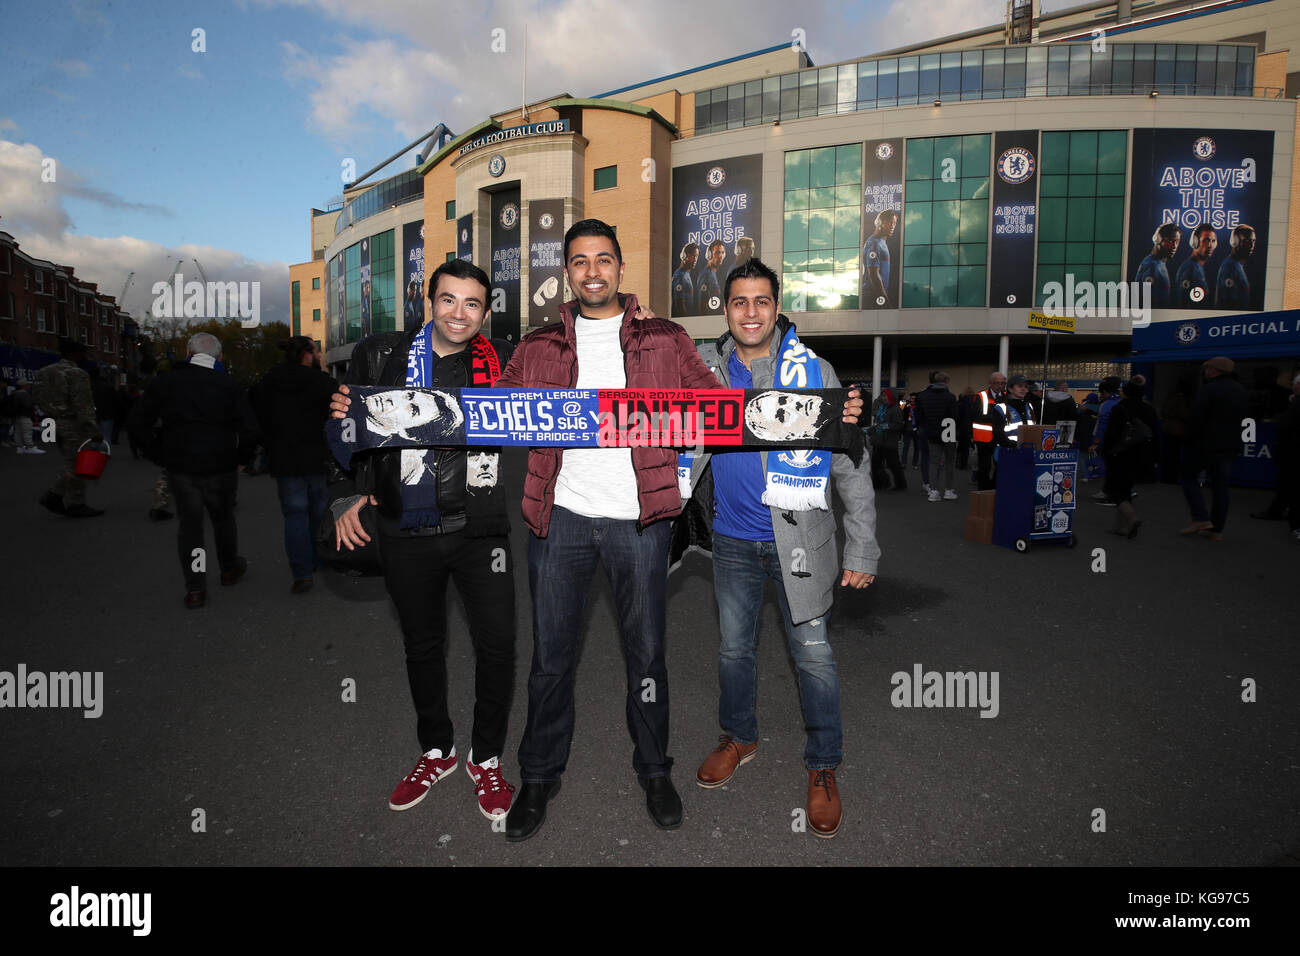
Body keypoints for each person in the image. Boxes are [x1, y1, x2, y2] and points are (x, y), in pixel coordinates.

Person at [493, 219, 724, 840]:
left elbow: (719, 407)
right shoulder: (539, 345)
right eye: (578, 261)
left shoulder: (667, 338)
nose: (591, 271)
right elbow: (487, 413)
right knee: (550, 659)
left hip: (639, 522)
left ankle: (654, 770)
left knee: (647, 656)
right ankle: (538, 776)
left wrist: (827, 412)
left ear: (621, 268)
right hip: (560, 517)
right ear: (565, 273)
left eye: (603, 259)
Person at [689, 258, 879, 838]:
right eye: (739, 302)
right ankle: (739, 737)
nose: (750, 312)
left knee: (814, 657)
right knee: (732, 651)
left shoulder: (813, 370)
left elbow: (851, 462)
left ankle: (823, 767)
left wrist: (862, 548)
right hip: (731, 540)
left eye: (761, 301)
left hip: (800, 541)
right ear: (726, 309)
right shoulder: (705, 370)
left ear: (777, 307)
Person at [329, 259, 519, 822]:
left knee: (499, 648)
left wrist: (634, 316)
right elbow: (343, 428)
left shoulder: (505, 361)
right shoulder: (381, 356)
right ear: (427, 301)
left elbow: (574, 371)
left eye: (472, 304)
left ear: (486, 311)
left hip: (481, 529)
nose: (459, 314)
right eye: (448, 300)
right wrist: (344, 493)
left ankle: (485, 757)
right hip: (404, 528)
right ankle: (436, 750)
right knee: (422, 646)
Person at [127, 332, 260, 608]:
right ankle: (228, 568)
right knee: (223, 520)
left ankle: (196, 586)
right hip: (220, 465)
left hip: (181, 465)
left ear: (188, 353)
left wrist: (157, 453)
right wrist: (242, 457)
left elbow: (138, 422)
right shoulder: (228, 385)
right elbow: (250, 429)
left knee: (191, 526)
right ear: (219, 357)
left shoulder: (165, 382)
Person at [250, 336, 338, 594]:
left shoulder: (269, 382)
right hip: (318, 458)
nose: (320, 356)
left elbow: (257, 417)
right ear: (307, 354)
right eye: (317, 351)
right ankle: (320, 557)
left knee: (294, 515)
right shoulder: (322, 382)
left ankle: (301, 572)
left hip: (285, 459)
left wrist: (267, 447)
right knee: (320, 513)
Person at [1179, 356, 1249, 541]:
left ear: (1215, 371)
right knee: (1221, 487)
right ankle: (1216, 529)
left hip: (1204, 444)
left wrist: (1187, 438)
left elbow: (1196, 418)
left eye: (1208, 369)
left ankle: (1200, 517)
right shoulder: (1241, 390)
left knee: (1187, 477)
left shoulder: (1209, 390)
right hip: (1229, 446)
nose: (1206, 372)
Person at [34, 338, 102, 518]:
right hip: (72, 423)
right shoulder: (77, 374)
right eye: (84, 353)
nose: (85, 356)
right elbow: (83, 406)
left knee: (70, 462)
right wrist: (93, 430)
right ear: (75, 354)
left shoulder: (44, 372)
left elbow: (38, 398)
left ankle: (63, 499)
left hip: (51, 422)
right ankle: (66, 499)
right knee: (78, 464)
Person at [1101, 378, 1158, 538]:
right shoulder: (1150, 409)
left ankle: (1132, 517)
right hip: (1142, 455)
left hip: (1121, 454)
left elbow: (1111, 434)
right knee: (1125, 489)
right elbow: (1154, 435)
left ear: (1125, 393)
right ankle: (1119, 526)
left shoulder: (1121, 408)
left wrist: (1106, 452)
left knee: (1113, 490)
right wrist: (1155, 457)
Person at [915, 370, 958, 501]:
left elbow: (919, 416)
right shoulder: (950, 397)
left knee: (933, 462)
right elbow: (954, 416)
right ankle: (948, 490)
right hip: (948, 431)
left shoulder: (923, 396)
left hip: (931, 432)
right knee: (949, 461)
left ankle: (933, 491)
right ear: (947, 382)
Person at [1088, 376, 1123, 504]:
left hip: (1108, 441)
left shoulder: (1107, 405)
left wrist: (1096, 442)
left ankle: (1109, 493)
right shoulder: (1122, 401)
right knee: (1118, 468)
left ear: (1105, 392)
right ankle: (1120, 491)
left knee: (1109, 468)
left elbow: (1102, 426)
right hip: (1122, 441)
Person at [973, 371, 1007, 490]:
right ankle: (983, 492)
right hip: (984, 438)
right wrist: (996, 417)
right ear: (990, 383)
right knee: (984, 468)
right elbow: (976, 415)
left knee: (1001, 466)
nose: (1000, 386)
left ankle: (994, 488)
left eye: (1003, 383)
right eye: (998, 383)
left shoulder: (1006, 396)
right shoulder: (981, 396)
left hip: (1001, 437)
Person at [1135, 223, 1180, 309]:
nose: (1175, 246)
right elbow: (1148, 306)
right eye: (1170, 241)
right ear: (1158, 240)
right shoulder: (1152, 267)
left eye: (1177, 241)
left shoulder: (1159, 264)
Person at [869, 387, 906, 490]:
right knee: (876, 464)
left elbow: (898, 425)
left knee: (894, 465)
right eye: (883, 395)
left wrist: (886, 426)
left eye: (885, 396)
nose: (883, 398)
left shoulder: (896, 409)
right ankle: (879, 484)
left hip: (889, 440)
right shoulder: (882, 407)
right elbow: (877, 419)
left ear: (891, 397)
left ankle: (900, 485)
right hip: (879, 439)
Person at [1175, 224, 1216, 308]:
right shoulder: (1189, 268)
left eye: (1213, 241)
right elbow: (1183, 304)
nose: (1210, 245)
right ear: (1195, 242)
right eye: (1206, 240)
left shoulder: (1197, 267)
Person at [1160, 379, 1193, 486]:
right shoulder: (1181, 399)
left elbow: (1163, 411)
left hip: (1167, 428)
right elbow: (1184, 414)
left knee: (1168, 454)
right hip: (1177, 430)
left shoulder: (1170, 398)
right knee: (1175, 455)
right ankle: (1172, 478)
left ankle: (1166, 477)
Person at [862, 210, 897, 307]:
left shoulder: (882, 242)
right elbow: (873, 275)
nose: (892, 226)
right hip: (872, 297)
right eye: (889, 222)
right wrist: (885, 301)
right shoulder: (874, 243)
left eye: (894, 223)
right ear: (880, 223)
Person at [1215, 225, 1255, 310]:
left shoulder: (1237, 265)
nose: (1252, 245)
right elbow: (1228, 304)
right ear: (1235, 242)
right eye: (1247, 240)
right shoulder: (1230, 267)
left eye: (1253, 241)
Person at [992, 373, 1035, 451]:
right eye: (1020, 386)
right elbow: (998, 436)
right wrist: (1017, 446)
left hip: (1027, 452)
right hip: (1007, 452)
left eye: (1025, 386)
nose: (1023, 389)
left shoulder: (1029, 406)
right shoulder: (1001, 408)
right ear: (1010, 389)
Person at [10, 379, 42, 455]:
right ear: (24, 386)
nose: (29, 386)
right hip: (25, 416)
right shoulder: (24, 394)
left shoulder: (13, 394)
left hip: (16, 416)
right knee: (27, 432)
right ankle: (30, 447)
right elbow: (28, 405)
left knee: (18, 432)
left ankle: (20, 448)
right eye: (28, 385)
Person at [695, 239, 726, 314]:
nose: (720, 256)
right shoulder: (706, 275)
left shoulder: (713, 274)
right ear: (709, 255)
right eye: (717, 252)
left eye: (722, 253)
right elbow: (702, 305)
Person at [671, 242, 698, 315]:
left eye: (696, 256)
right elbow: (679, 306)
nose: (695, 259)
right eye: (693, 256)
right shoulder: (680, 276)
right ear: (684, 255)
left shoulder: (686, 274)